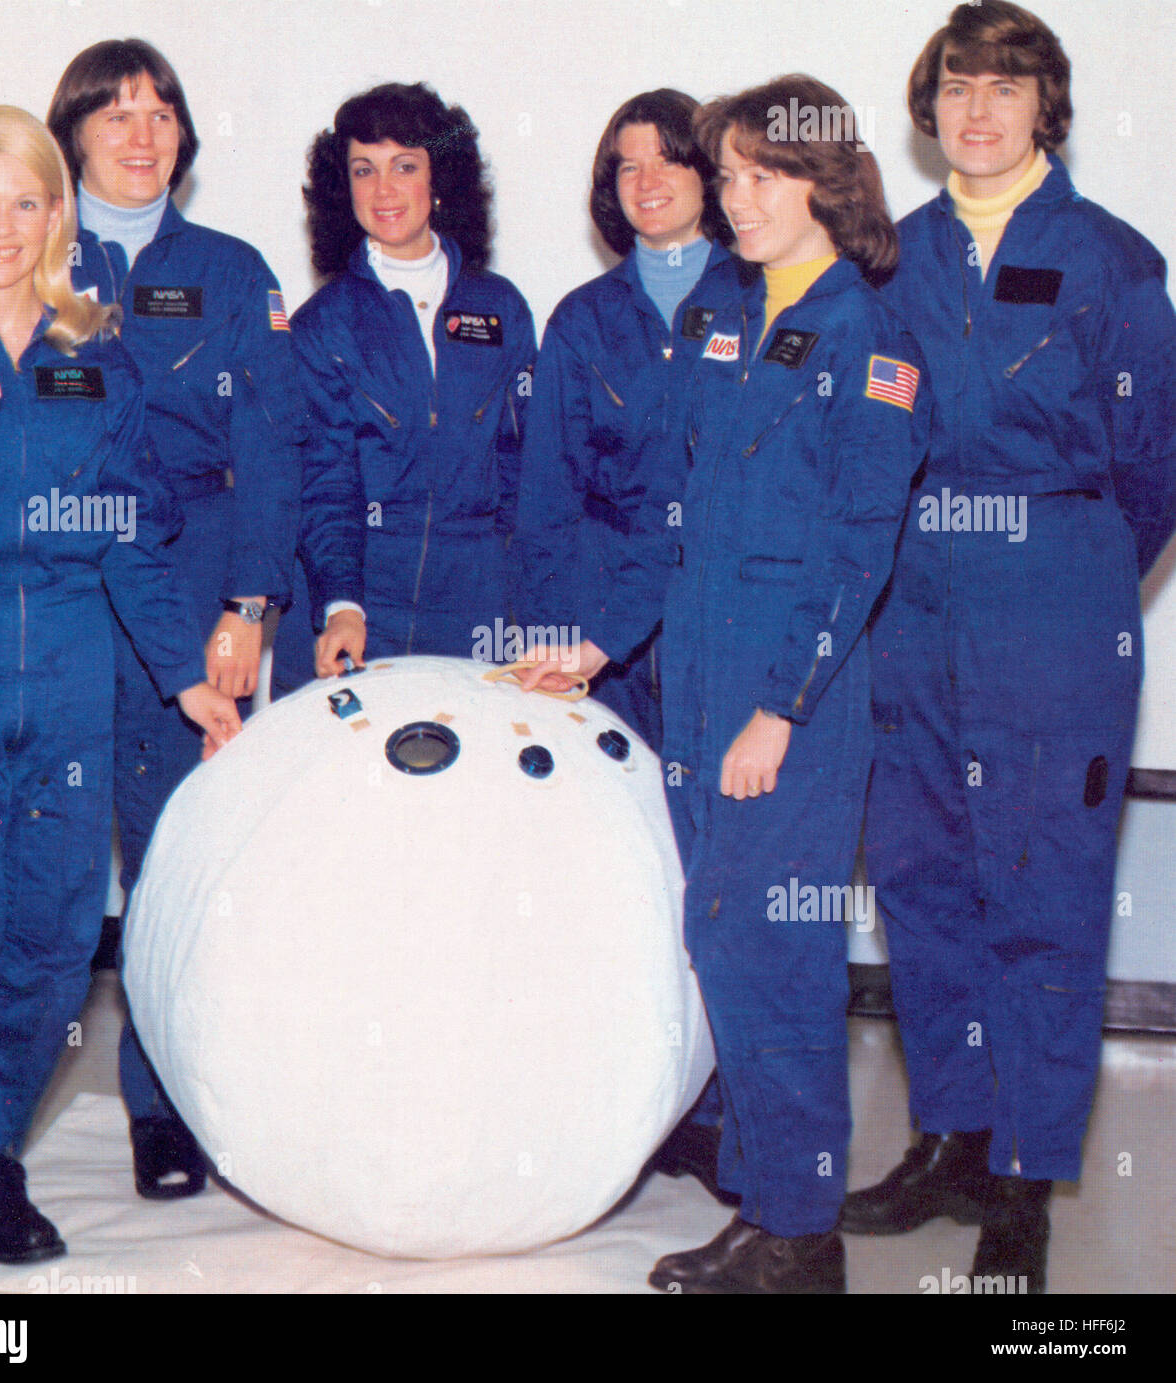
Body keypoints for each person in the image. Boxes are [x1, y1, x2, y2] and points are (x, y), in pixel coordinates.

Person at [846, 1, 1176, 1292]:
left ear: (1047, 109)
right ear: (929, 114)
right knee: (926, 879)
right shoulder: (893, 262)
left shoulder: (1111, 260)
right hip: (912, 607)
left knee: (1042, 890)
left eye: (1006, 87)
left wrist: (1070, 567)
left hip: (1050, 605)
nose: (978, 111)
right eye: (957, 89)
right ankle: (956, 1136)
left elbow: (1156, 471)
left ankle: (1028, 1180)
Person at [0, 106, 239, 1274]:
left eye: (24, 202)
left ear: (55, 216)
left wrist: (186, 678)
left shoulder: (98, 360)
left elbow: (133, 535)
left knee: (49, 938)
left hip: (74, 688)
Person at [645, 77, 929, 1294]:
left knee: (778, 956)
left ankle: (804, 1233)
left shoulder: (869, 340)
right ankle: (768, 1205)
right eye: (728, 178)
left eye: (764, 176)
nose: (737, 200)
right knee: (727, 942)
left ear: (826, 185)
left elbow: (857, 551)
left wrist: (780, 711)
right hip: (700, 680)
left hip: (785, 707)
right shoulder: (732, 314)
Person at [47, 39, 303, 1199]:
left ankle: (163, 1107)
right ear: (75, 134)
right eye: (115, 115)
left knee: (174, 866)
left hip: (196, 587)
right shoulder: (26, 254)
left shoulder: (235, 270)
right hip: (53, 590)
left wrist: (250, 609)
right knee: (38, 873)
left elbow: (270, 455)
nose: (141, 135)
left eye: (159, 115)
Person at [512, 89, 745, 1199]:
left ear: (711, 174)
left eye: (667, 161)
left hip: (718, 631)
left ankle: (728, 1113)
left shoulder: (760, 295)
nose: (644, 182)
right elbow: (546, 505)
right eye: (622, 167)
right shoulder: (579, 319)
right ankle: (631, 1106)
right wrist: (564, 648)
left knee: (723, 881)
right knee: (622, 878)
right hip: (600, 649)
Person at [272, 82, 535, 688]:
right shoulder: (321, 325)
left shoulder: (503, 310)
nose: (384, 190)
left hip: (478, 603)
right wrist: (342, 604)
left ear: (440, 181)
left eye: (405, 166)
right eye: (364, 170)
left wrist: (526, 602)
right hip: (360, 601)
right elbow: (323, 482)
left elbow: (527, 468)